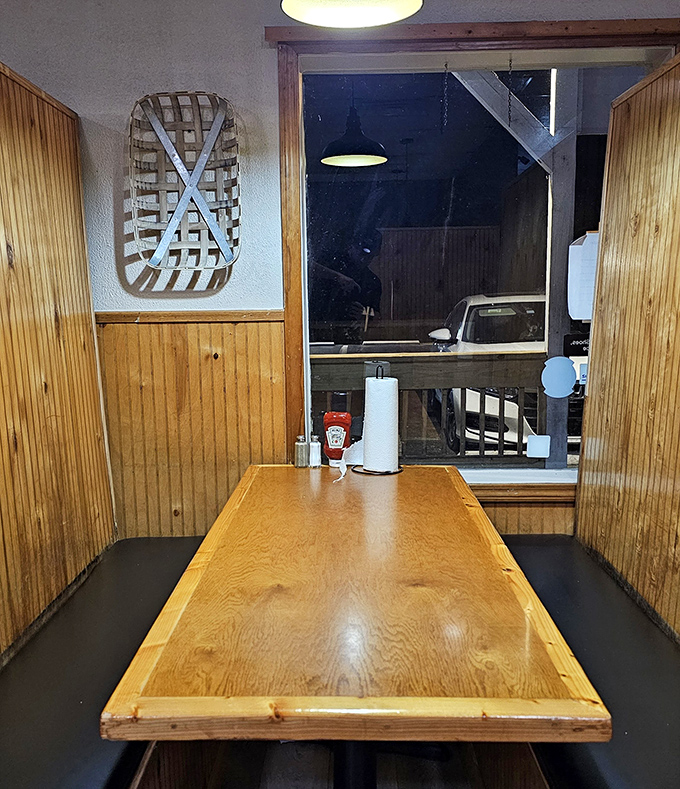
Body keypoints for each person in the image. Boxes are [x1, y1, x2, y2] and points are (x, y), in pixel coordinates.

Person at [309, 229, 383, 344]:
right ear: (351, 247)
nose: (364, 258)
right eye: (361, 253)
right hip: (318, 331)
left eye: (370, 256)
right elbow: (304, 266)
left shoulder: (372, 281)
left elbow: (376, 316)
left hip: (349, 335)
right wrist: (337, 277)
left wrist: (364, 314)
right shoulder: (331, 261)